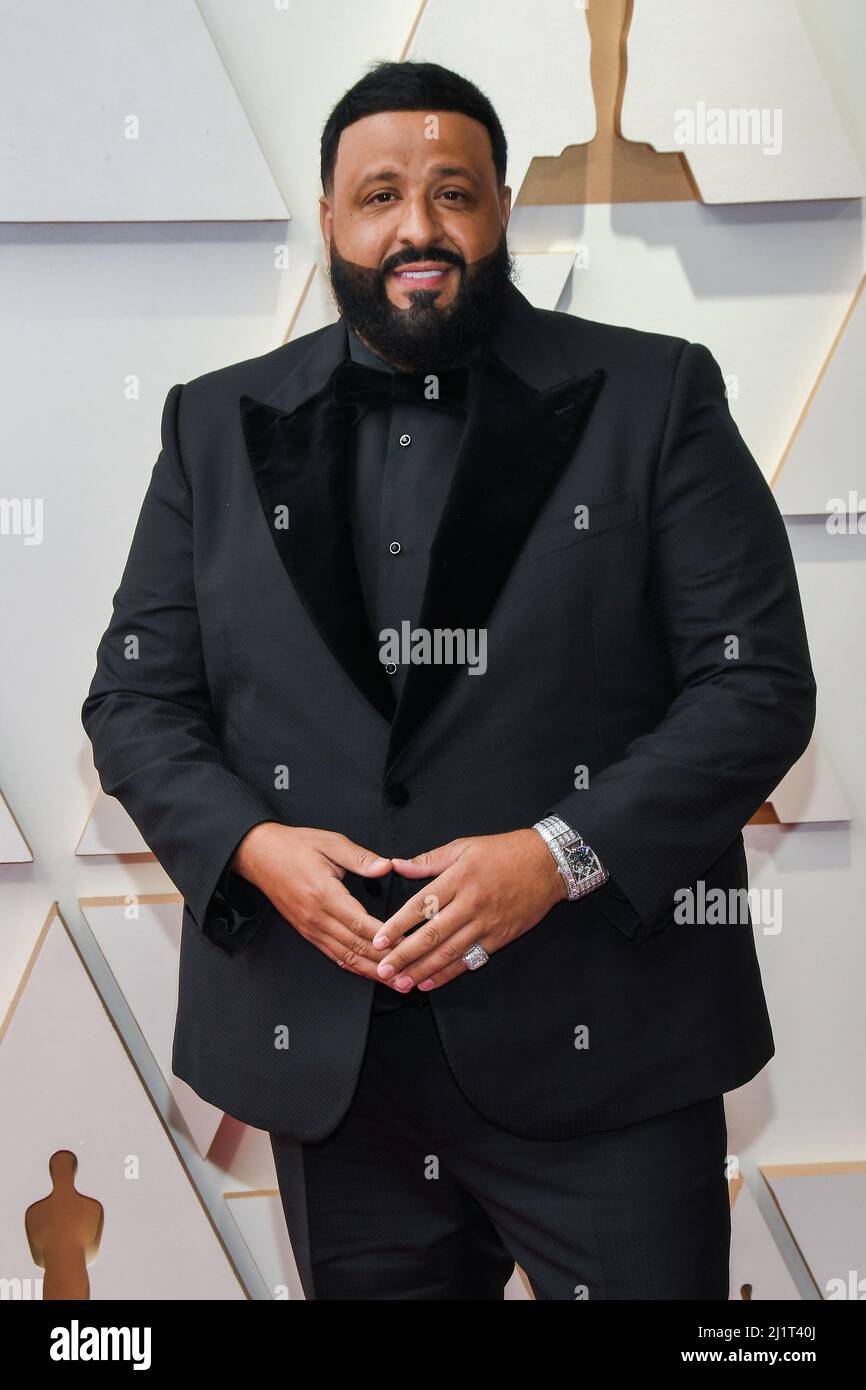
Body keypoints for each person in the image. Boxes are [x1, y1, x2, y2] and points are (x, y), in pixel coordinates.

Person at [81, 59, 817, 1300]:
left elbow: (753, 689)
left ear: (499, 216)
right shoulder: (211, 425)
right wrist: (256, 847)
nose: (416, 226)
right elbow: (134, 703)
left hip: (608, 1058)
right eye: (378, 194)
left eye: (451, 193)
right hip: (335, 1075)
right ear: (328, 222)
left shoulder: (653, 393)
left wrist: (556, 853)